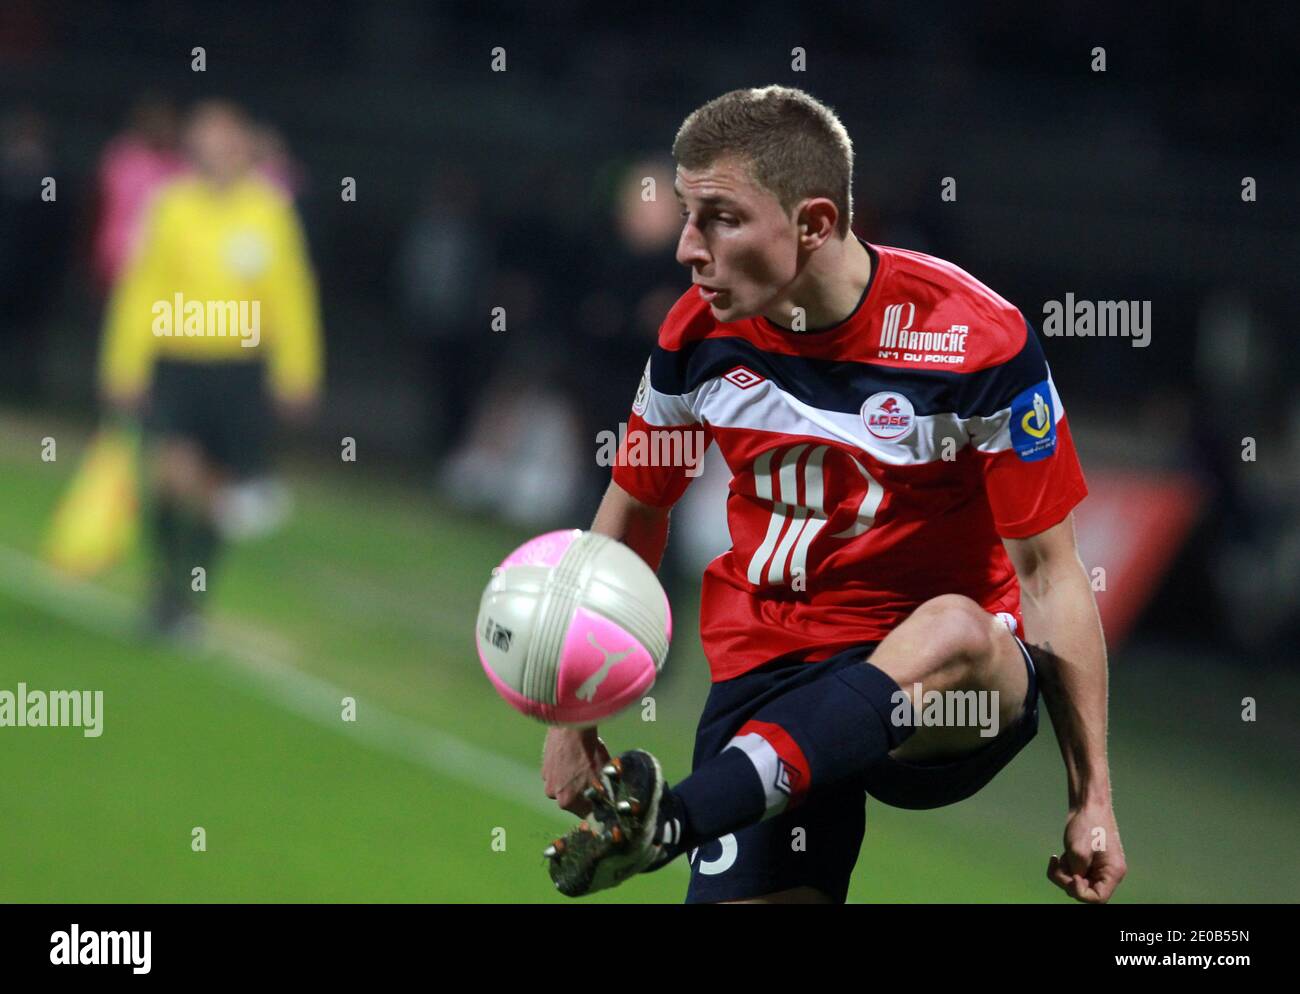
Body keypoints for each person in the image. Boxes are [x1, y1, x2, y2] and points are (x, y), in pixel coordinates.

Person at [541, 86, 1125, 904]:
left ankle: (671, 823)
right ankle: (708, 808)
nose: (685, 247)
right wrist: (576, 719)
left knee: (956, 627)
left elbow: (1052, 574)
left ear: (813, 223)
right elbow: (634, 512)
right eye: (683, 213)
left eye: (719, 217)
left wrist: (1091, 797)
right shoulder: (694, 340)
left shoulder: (976, 343)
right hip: (772, 673)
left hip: (945, 703)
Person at [98, 100, 324, 635]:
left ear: (244, 148)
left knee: (216, 493)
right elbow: (141, 286)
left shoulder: (269, 211)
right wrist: (123, 364)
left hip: (238, 369)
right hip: (179, 362)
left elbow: (290, 293)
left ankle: (191, 599)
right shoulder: (171, 205)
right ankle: (162, 585)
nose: (214, 155)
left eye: (225, 144)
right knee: (172, 473)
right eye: (203, 145)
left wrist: (298, 371)